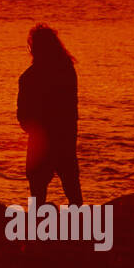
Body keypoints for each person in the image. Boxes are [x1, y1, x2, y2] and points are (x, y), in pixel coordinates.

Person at [17, 24, 82, 204]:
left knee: (38, 188)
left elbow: (22, 116)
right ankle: (79, 224)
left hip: (43, 140)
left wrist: (36, 130)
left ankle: (39, 225)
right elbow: (70, 109)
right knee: (71, 185)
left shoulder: (29, 77)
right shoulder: (67, 70)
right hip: (65, 137)